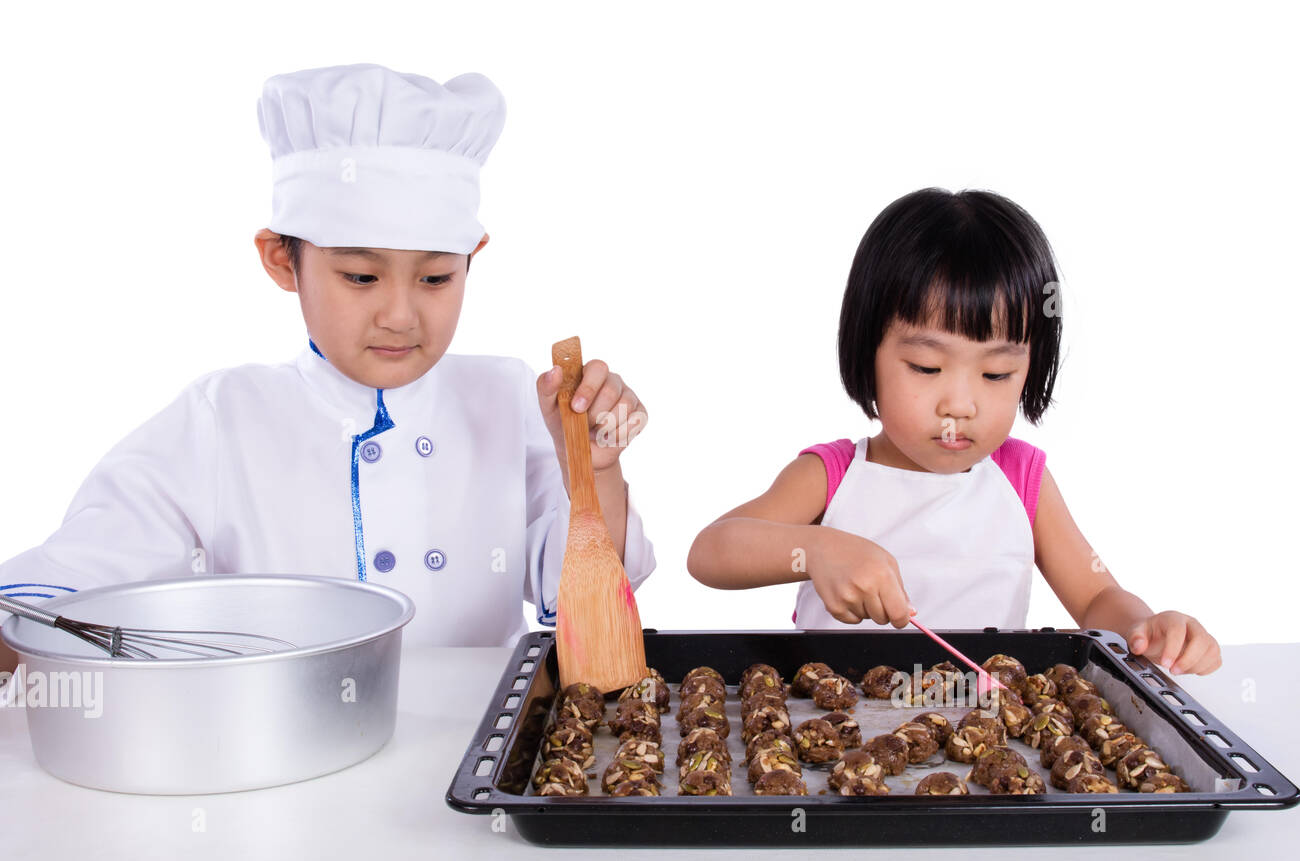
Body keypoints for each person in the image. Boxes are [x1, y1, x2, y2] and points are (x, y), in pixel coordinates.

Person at [0, 63, 655, 664]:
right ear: (282, 261)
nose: (401, 315)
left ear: (472, 259)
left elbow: (586, 611)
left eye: (435, 279)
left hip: (484, 757)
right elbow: (53, 599)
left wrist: (596, 471)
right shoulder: (224, 418)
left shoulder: (510, 395)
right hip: (281, 766)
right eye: (362, 276)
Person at [687, 187, 1220, 676]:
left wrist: (1146, 630)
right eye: (925, 367)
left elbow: (1097, 596)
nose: (960, 404)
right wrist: (816, 548)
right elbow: (712, 551)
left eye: (996, 374)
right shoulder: (835, 475)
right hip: (836, 732)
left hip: (988, 743)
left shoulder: (1022, 479)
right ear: (866, 349)